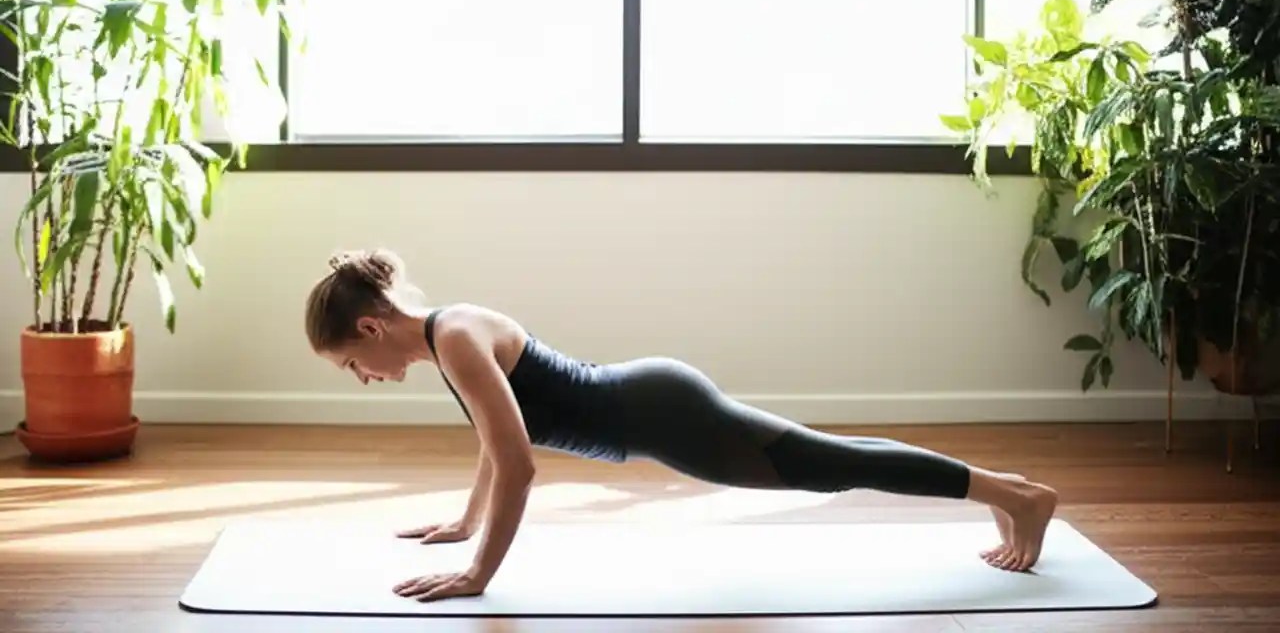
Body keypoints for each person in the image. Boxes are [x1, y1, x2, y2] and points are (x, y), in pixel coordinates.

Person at [305, 249, 1059, 604]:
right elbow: (502, 441)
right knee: (827, 460)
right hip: (654, 403)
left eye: (350, 364)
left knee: (829, 466)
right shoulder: (452, 337)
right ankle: (1005, 489)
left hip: (661, 416)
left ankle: (1017, 497)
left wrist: (479, 575)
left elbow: (520, 467)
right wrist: (467, 523)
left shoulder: (458, 340)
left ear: (370, 329)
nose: (361, 377)